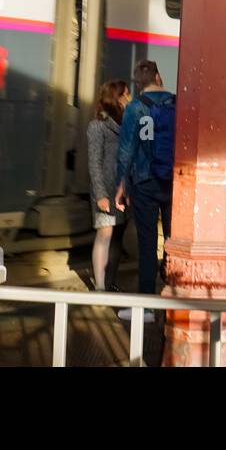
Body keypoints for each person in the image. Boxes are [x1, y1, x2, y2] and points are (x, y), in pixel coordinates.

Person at [114, 60, 176, 299]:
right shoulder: (176, 102)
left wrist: (121, 184)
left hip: (144, 182)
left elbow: (126, 150)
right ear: (158, 77)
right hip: (173, 181)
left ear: (138, 85)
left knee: (147, 243)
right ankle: (172, 288)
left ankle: (147, 304)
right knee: (173, 239)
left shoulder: (135, 107)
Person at [87, 80, 131, 292]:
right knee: (105, 234)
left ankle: (110, 281)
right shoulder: (97, 126)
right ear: (117, 97)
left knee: (117, 238)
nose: (129, 98)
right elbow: (94, 162)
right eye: (126, 94)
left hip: (121, 190)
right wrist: (100, 195)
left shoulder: (126, 124)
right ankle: (101, 285)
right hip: (104, 189)